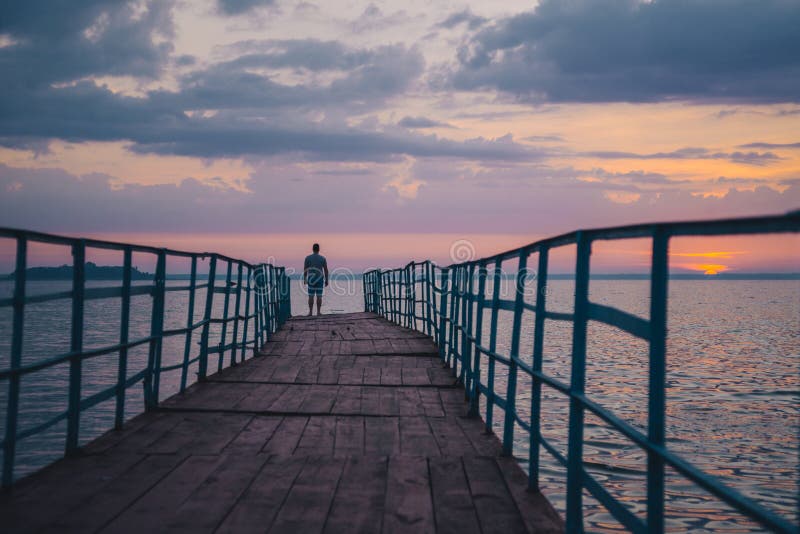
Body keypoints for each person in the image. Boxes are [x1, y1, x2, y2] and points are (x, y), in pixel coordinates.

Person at [303, 243, 329, 316]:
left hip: (311, 279)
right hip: (320, 279)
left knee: (310, 296)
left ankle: (310, 312)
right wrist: (327, 280)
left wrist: (305, 279)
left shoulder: (307, 258)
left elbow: (305, 269)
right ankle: (318, 312)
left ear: (312, 249)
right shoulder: (322, 258)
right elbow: (326, 270)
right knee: (319, 296)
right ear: (319, 249)